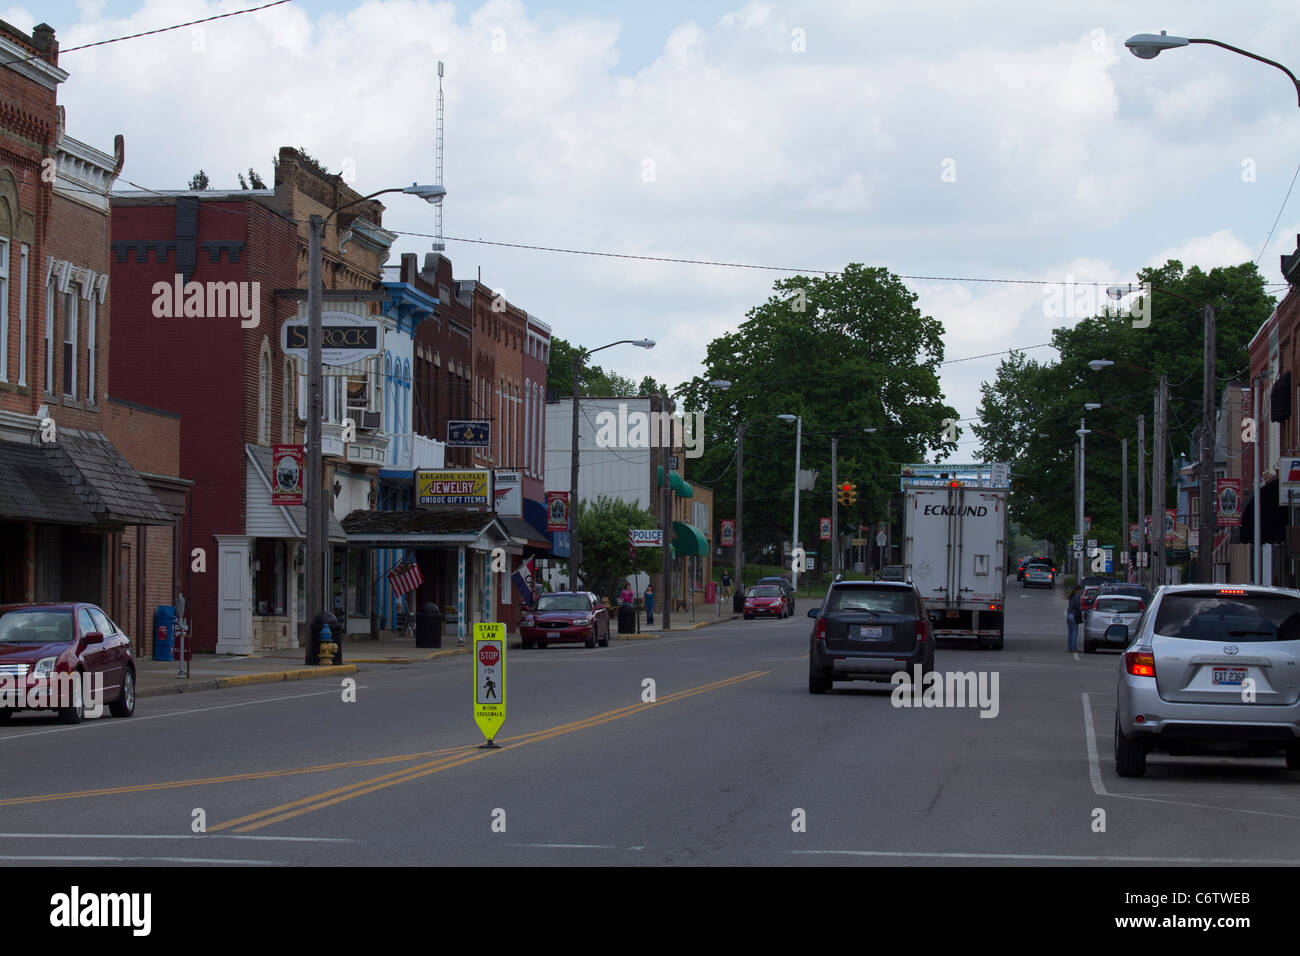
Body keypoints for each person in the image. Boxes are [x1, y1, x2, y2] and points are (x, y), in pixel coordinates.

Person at [1066, 585, 1083, 652]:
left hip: (1069, 614)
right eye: (1080, 590)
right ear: (1077, 590)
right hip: (1074, 615)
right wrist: (1080, 611)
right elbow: (1077, 605)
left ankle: (1070, 647)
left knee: (1070, 632)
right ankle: (1073, 648)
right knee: (1075, 632)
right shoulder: (1076, 596)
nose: (1080, 592)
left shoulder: (1071, 596)